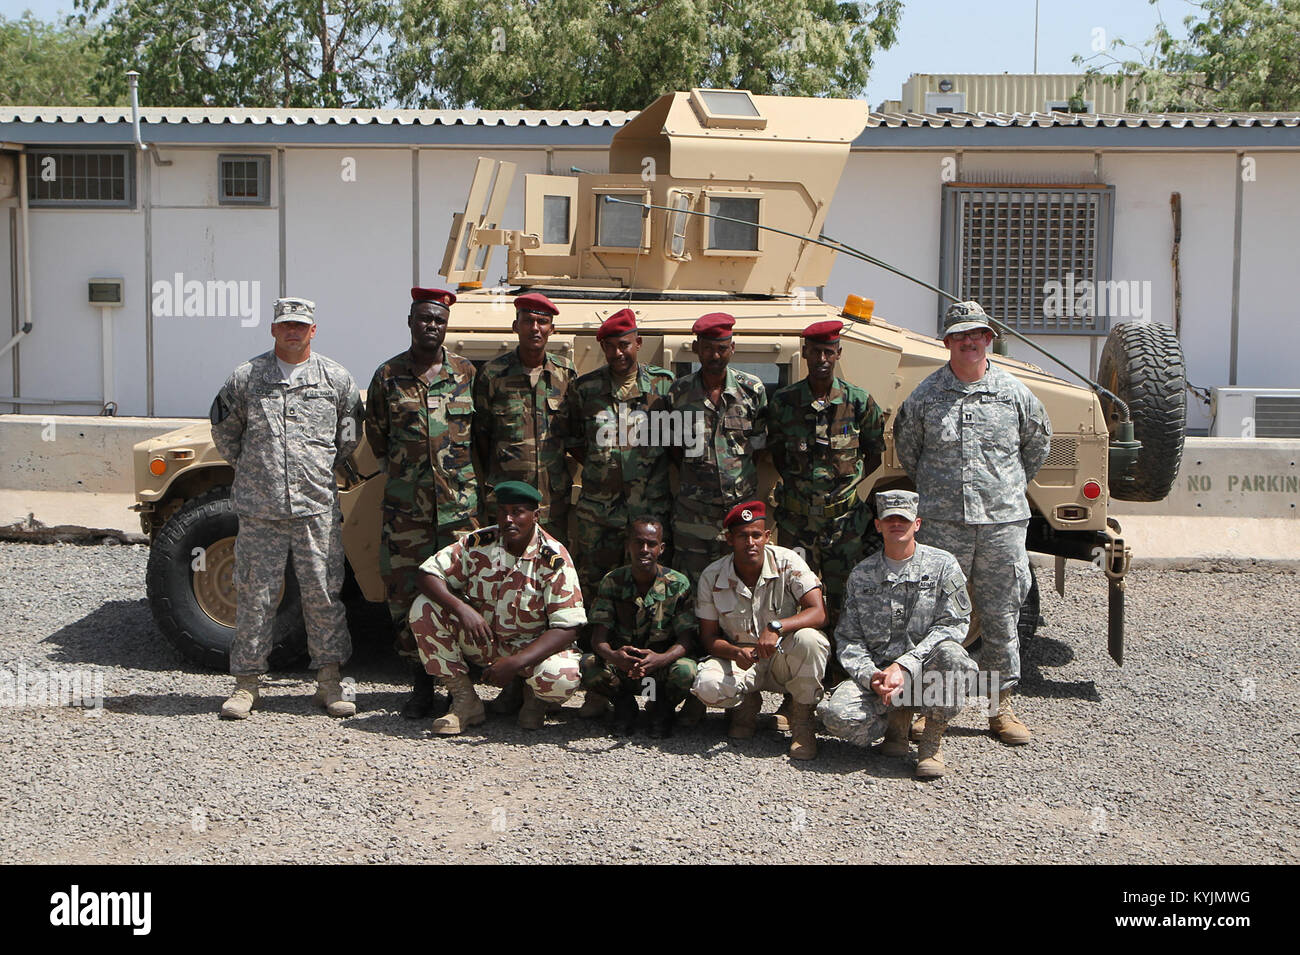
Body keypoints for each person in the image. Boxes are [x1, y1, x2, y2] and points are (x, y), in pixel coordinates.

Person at [892, 301, 1051, 745]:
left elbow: (1036, 444)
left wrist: (1003, 489)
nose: (969, 341)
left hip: (1002, 525)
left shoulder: (1015, 393)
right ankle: (930, 708)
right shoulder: (925, 396)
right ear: (946, 342)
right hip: (944, 526)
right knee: (940, 619)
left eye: (976, 333)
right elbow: (910, 452)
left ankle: (1001, 709)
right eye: (960, 334)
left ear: (988, 339)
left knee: (1002, 616)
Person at [210, 296, 363, 720]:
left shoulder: (336, 379)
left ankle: (329, 682)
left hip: (315, 506)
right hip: (261, 509)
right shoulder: (247, 378)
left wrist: (314, 468)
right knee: (254, 595)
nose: (293, 331)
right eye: (285, 325)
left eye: (300, 325)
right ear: (273, 329)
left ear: (313, 330)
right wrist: (255, 467)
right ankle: (246, 685)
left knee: (323, 594)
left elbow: (348, 435)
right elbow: (225, 431)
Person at [365, 287, 478, 719]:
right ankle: (419, 684)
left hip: (457, 513)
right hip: (405, 512)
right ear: (411, 322)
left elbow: (480, 441)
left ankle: (457, 687)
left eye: (439, 320)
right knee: (405, 595)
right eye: (424, 318)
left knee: (459, 593)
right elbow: (377, 433)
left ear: (446, 325)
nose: (432, 325)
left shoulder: (467, 374)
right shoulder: (388, 375)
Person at [818, 490, 978, 779]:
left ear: (917, 524)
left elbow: (953, 625)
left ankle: (931, 740)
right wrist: (871, 676)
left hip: (923, 672)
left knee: (955, 658)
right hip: (880, 679)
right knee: (837, 716)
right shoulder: (862, 575)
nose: (896, 525)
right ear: (877, 525)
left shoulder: (942, 565)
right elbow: (849, 639)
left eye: (903, 520)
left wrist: (905, 666)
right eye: (889, 519)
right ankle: (896, 719)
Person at [408, 481, 585, 735]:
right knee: (424, 607)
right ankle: (465, 701)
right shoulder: (479, 543)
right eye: (503, 511)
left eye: (518, 511)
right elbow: (426, 575)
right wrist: (462, 609)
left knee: (563, 675)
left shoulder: (553, 558)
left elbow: (569, 627)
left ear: (536, 516)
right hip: (486, 641)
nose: (508, 519)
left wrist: (515, 663)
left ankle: (533, 698)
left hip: (530, 650)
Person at [768, 319, 886, 626]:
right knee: (792, 600)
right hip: (797, 522)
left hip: (843, 526)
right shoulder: (784, 402)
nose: (822, 359)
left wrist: (846, 489)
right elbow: (777, 452)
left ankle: (841, 670)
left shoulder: (858, 402)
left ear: (838, 353)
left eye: (828, 352)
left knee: (846, 602)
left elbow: (873, 452)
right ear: (805, 353)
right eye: (816, 352)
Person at [691, 501, 829, 760]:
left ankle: (802, 723)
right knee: (707, 686)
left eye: (756, 535)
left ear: (767, 537)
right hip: (742, 660)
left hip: (782, 659)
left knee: (811, 640)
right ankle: (746, 703)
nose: (750, 542)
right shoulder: (712, 576)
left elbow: (818, 612)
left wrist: (777, 627)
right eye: (742, 536)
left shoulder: (788, 561)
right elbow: (708, 638)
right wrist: (733, 652)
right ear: (729, 539)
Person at [565, 308, 675, 601]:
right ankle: (594, 642)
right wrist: (604, 466)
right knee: (594, 581)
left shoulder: (663, 386)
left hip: (648, 508)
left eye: (624, 344)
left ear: (638, 343)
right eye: (610, 346)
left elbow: (677, 441)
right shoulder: (585, 389)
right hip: (600, 512)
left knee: (649, 583)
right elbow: (574, 439)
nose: (618, 353)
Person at [666, 312, 768, 582]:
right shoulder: (678, 393)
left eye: (722, 348)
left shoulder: (752, 391)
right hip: (693, 513)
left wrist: (735, 478)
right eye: (708, 348)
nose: (714, 356)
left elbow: (758, 445)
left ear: (732, 348)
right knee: (691, 586)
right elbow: (674, 449)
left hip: (740, 513)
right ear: (696, 348)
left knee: (740, 583)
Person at [580, 517, 698, 738]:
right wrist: (616, 657)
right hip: (623, 669)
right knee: (587, 665)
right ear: (628, 546)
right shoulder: (612, 582)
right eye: (638, 543)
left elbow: (686, 641)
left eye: (651, 544)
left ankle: (661, 709)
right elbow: (598, 640)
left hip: (659, 671)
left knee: (687, 670)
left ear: (661, 548)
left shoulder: (677, 584)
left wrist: (659, 660)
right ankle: (624, 708)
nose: (644, 550)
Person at [473, 292, 575, 544]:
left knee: (551, 572)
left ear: (552, 329)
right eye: (528, 321)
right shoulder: (493, 375)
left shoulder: (565, 375)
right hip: (508, 503)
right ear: (516, 326)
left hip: (552, 501)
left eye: (542, 322)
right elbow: (480, 438)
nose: (535, 328)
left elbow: (574, 435)